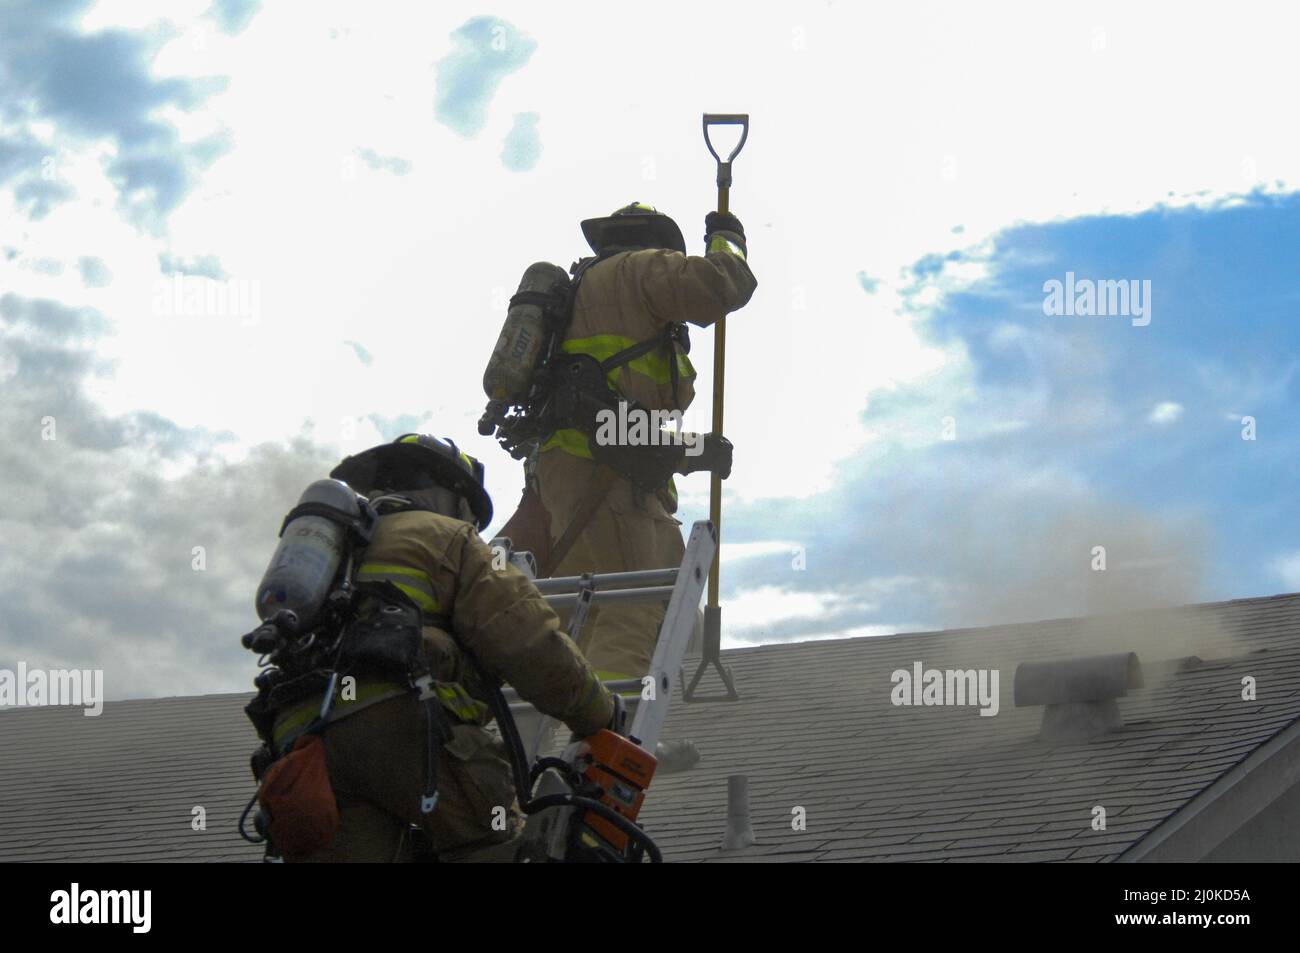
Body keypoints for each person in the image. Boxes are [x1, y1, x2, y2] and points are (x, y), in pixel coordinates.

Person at [259, 433, 615, 862]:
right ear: (456, 497)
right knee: (493, 844)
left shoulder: (334, 550)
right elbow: (526, 641)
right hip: (399, 719)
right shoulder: (449, 537)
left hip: (302, 746)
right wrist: (600, 713)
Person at [504, 202, 756, 684]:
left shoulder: (582, 294)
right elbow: (720, 285)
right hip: (607, 479)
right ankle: (610, 742)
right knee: (642, 602)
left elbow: (611, 412)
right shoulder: (639, 270)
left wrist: (690, 451)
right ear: (656, 241)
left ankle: (579, 732)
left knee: (589, 610)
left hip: (567, 473)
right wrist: (729, 238)